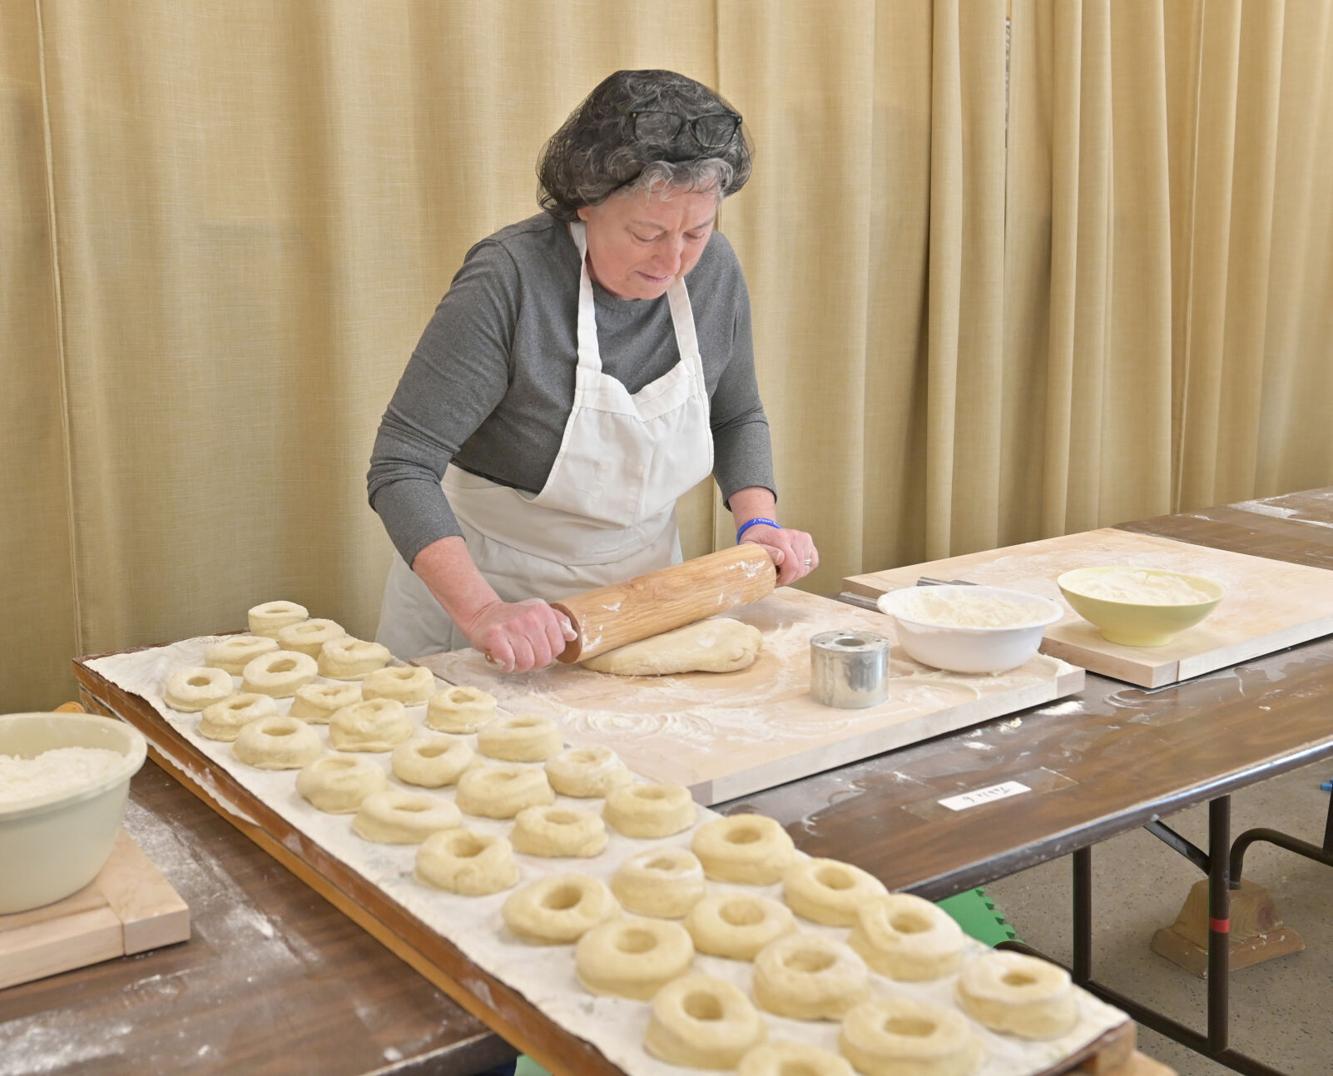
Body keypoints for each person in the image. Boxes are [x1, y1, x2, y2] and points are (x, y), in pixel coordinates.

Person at [368, 69, 819, 672]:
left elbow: (735, 414)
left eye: (697, 231)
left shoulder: (713, 274)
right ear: (585, 203)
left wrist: (758, 522)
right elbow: (401, 463)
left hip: (644, 602)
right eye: (646, 233)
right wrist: (482, 611)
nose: (673, 259)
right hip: (497, 596)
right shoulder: (511, 281)